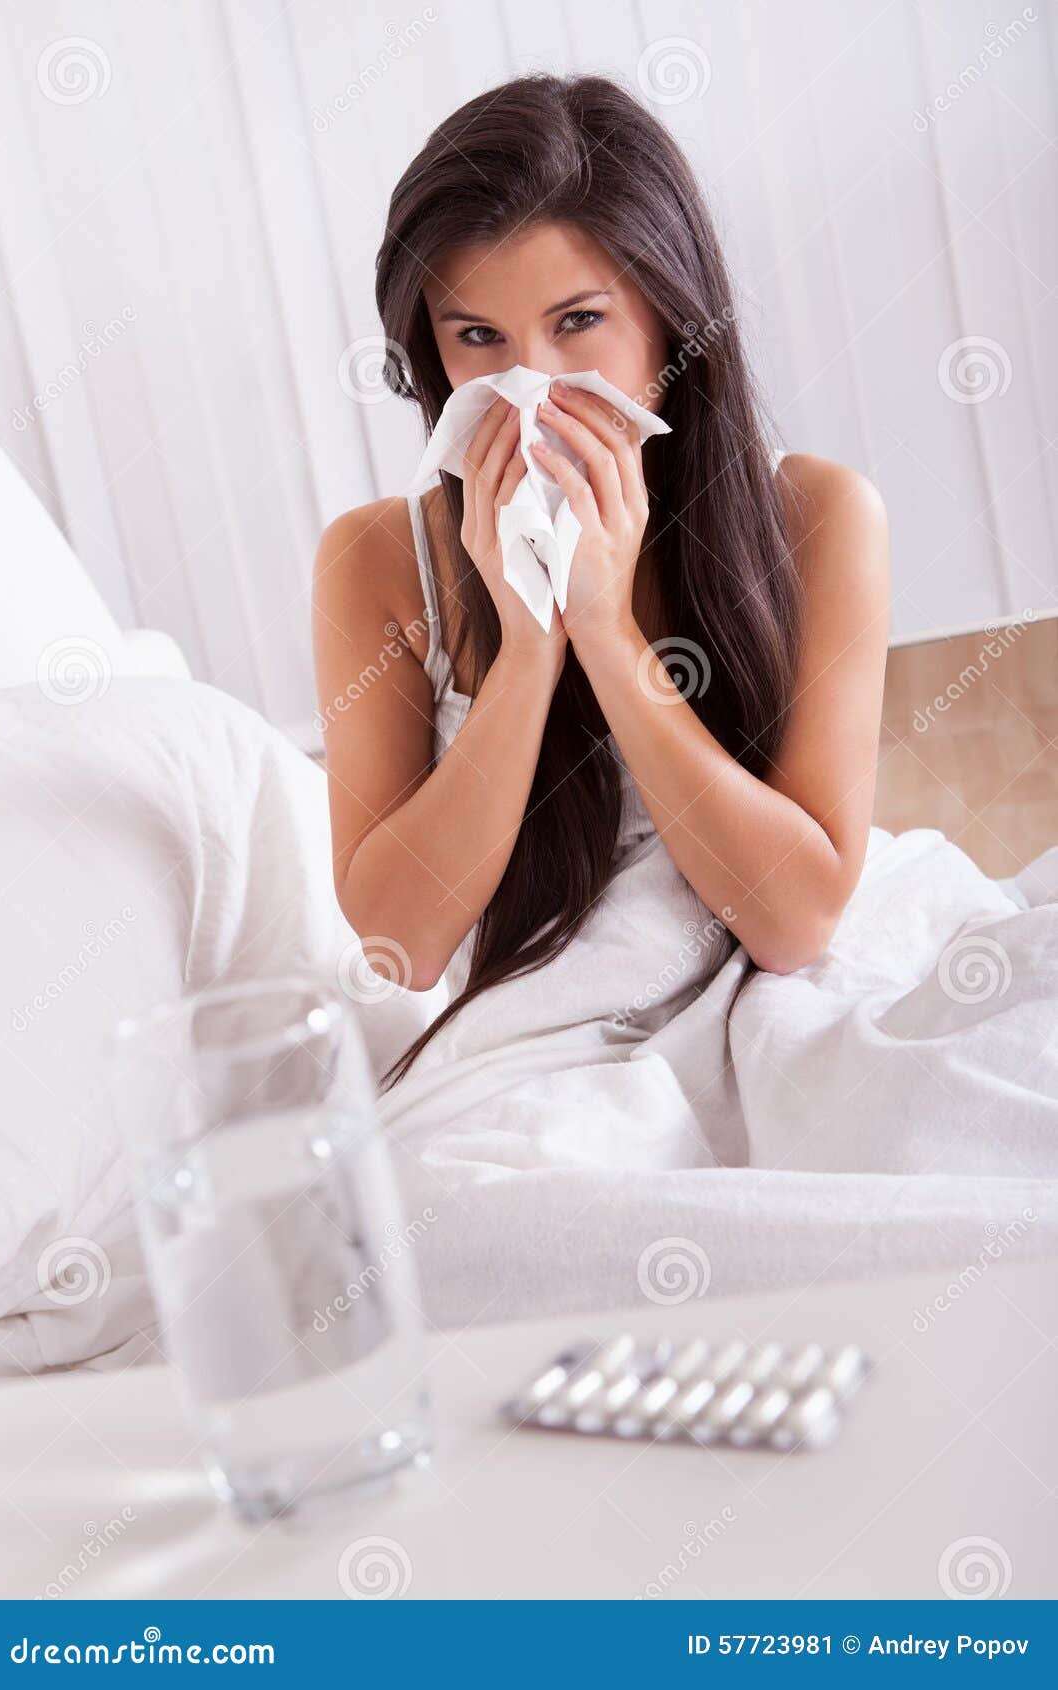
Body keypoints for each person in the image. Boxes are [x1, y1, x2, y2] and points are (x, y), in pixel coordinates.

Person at [312, 73, 889, 1088]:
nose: (530, 387)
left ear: (671, 316)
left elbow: (794, 921)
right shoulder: (376, 562)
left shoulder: (818, 517)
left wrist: (607, 631)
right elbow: (403, 947)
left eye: (577, 321)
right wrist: (528, 643)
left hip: (786, 1009)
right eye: (478, 337)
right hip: (546, 1052)